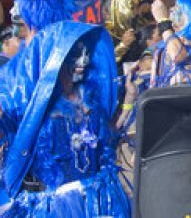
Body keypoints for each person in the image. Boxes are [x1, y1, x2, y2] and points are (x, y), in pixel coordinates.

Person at [0, 21, 132, 217]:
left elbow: (107, 140)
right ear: (55, 58)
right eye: (75, 55)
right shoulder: (30, 108)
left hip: (98, 199)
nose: (83, 61)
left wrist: (129, 100)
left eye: (86, 54)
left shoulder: (90, 99)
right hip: (56, 207)